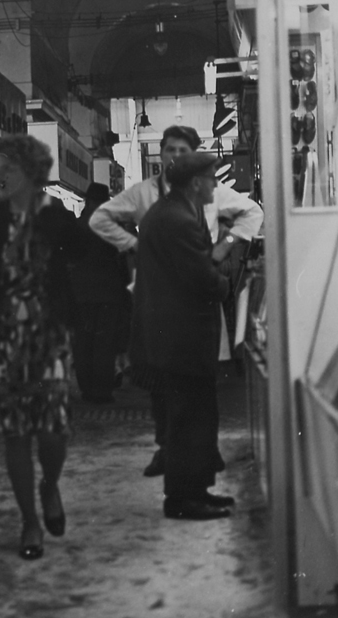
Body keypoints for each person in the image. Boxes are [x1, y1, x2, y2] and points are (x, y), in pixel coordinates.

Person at [88, 124, 263, 477]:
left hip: (196, 293)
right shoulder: (143, 195)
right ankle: (169, 449)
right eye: (170, 149)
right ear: (163, 154)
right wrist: (134, 245)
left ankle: (203, 450)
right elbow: (100, 218)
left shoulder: (208, 192)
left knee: (199, 380)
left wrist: (223, 249)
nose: (176, 156)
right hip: (160, 297)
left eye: (183, 150)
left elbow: (253, 212)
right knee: (161, 380)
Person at [0, 135, 82, 561]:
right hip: (4, 340)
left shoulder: (57, 218)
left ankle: (49, 485)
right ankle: (30, 519)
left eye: (7, 169)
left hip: (48, 338)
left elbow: (78, 268)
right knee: (15, 434)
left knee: (52, 432)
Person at [133, 152, 233, 520]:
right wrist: (225, 285)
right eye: (211, 178)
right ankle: (182, 498)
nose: (215, 184)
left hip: (178, 336)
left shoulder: (171, 213)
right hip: (181, 338)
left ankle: (196, 490)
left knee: (194, 416)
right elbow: (200, 277)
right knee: (190, 418)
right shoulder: (177, 220)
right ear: (195, 183)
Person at [69, 182, 131, 403]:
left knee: (83, 342)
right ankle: (102, 390)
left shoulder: (76, 226)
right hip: (108, 293)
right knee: (104, 343)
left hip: (81, 294)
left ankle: (87, 388)